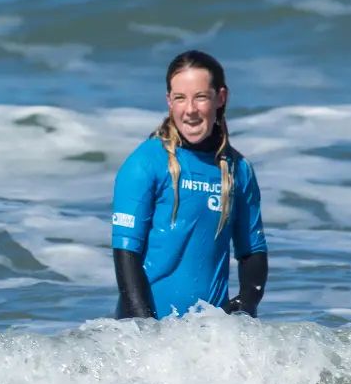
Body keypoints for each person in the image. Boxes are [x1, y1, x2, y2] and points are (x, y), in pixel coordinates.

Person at [110, 50, 268, 320]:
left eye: (201, 97)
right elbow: (126, 253)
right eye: (180, 98)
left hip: (208, 340)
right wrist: (145, 325)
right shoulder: (146, 162)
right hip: (145, 333)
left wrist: (244, 307)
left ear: (221, 98)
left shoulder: (238, 170)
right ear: (169, 102)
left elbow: (252, 251)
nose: (190, 110)